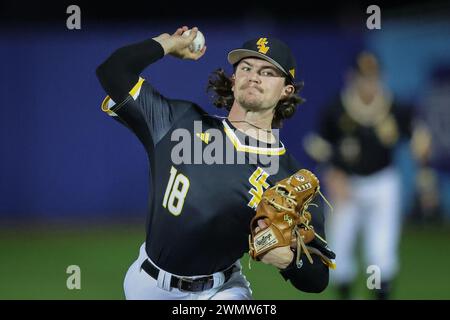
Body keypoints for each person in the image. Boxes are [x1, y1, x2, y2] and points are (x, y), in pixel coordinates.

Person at [96, 26, 334, 300]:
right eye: (246, 68)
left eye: (267, 73)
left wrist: (289, 261)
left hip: (221, 291)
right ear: (233, 80)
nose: (254, 77)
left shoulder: (290, 178)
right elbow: (112, 71)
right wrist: (165, 44)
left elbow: (318, 279)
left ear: (286, 90)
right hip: (146, 285)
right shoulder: (178, 122)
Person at [303, 51, 412, 299]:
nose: (369, 83)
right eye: (364, 78)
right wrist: (331, 174)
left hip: (383, 183)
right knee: (339, 251)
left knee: (381, 251)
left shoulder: (395, 106)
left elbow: (417, 140)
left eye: (374, 77)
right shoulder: (336, 108)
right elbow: (318, 147)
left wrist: (425, 178)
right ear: (350, 77)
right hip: (346, 185)